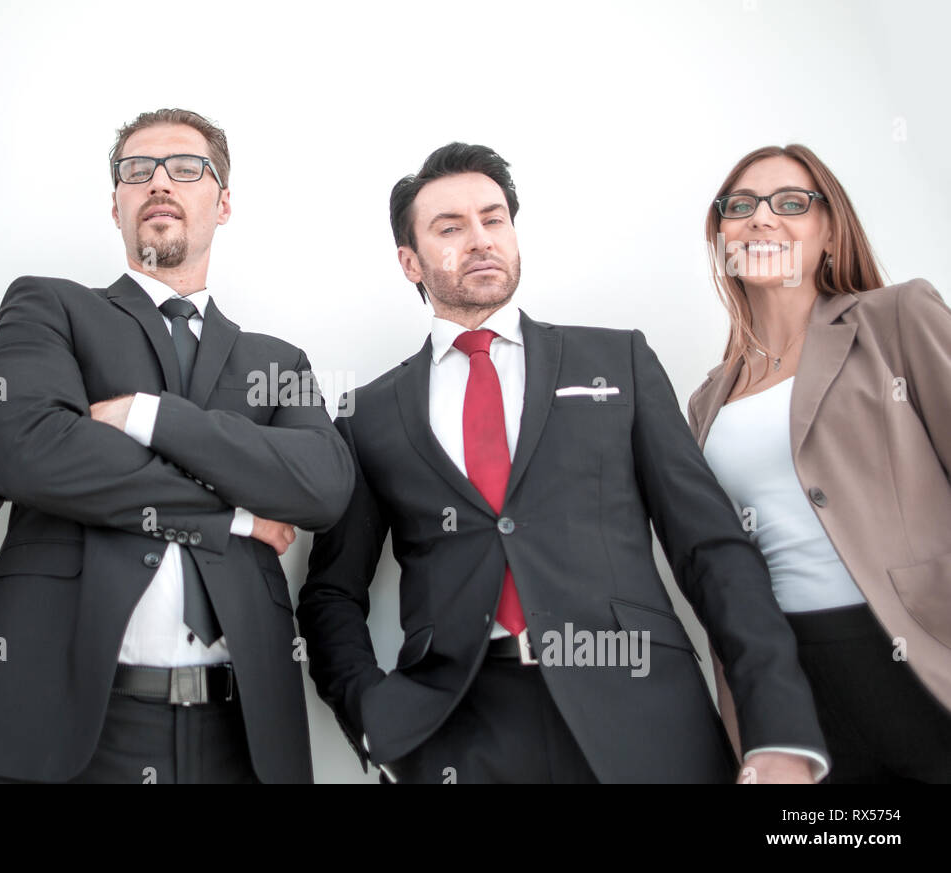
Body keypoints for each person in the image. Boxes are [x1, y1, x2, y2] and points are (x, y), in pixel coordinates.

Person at [297, 142, 828, 784]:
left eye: (494, 219)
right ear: (409, 261)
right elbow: (331, 593)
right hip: (457, 733)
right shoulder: (367, 413)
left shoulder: (617, 363)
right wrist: (373, 718)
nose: (480, 239)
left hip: (643, 710)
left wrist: (780, 730)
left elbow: (712, 549)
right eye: (450, 227)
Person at [0, 109, 354, 784]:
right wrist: (234, 515)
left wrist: (147, 417)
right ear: (115, 202)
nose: (159, 182)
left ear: (224, 201)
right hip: (62, 722)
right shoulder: (49, 308)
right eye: (136, 171)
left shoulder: (278, 359)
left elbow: (323, 486)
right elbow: (30, 452)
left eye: (186, 168)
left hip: (239, 735)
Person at [689, 143, 951, 783]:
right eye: (742, 205)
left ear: (829, 232)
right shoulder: (705, 401)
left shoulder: (895, 320)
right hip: (793, 677)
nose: (762, 218)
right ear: (721, 236)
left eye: (791, 202)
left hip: (918, 646)